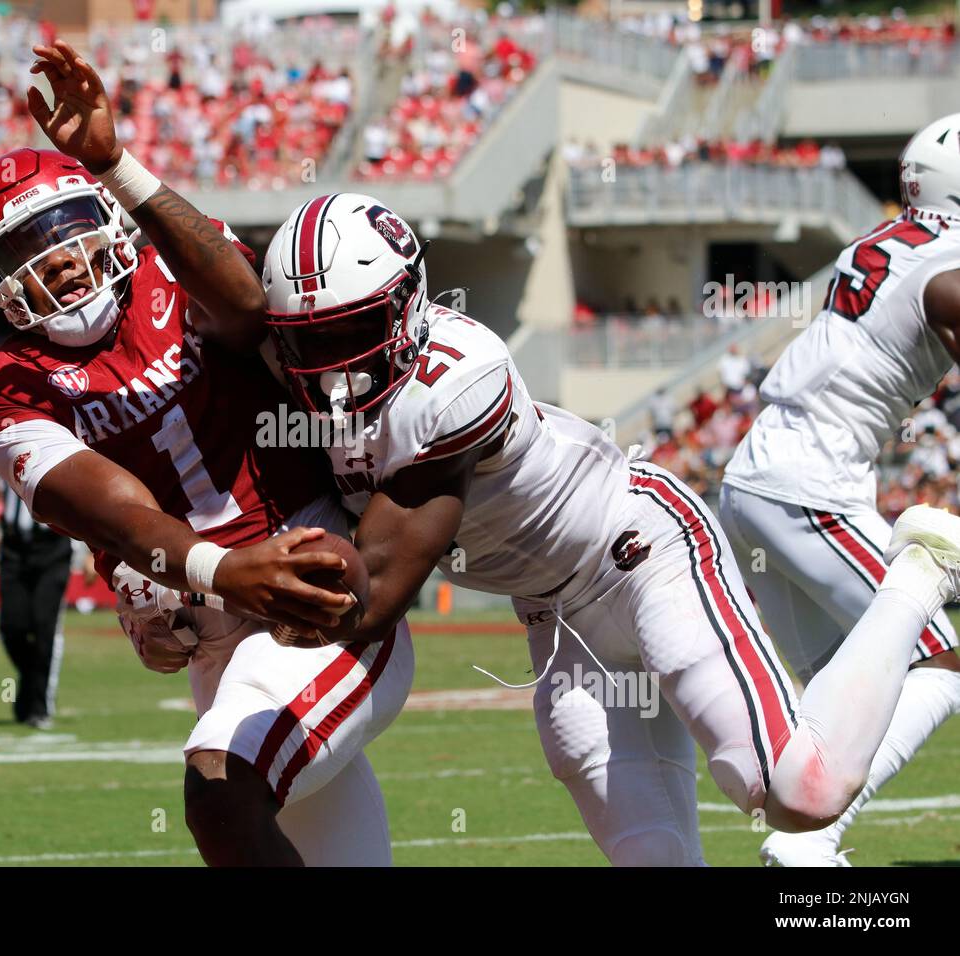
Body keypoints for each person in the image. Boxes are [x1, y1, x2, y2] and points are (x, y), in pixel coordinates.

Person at [260, 191, 960, 866]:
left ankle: (919, 573)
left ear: (408, 306)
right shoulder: (298, 388)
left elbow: (375, 594)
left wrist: (225, 587)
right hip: (555, 612)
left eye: (352, 333)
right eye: (309, 342)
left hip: (641, 552)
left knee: (800, 789)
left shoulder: (456, 378)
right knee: (652, 855)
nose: (333, 369)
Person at [0, 41, 412, 866]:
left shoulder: (170, 265)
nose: (54, 257)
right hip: (212, 620)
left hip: (312, 569)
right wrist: (163, 582)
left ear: (109, 220)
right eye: (25, 252)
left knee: (221, 791)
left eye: (65, 230)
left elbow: (245, 305)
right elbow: (105, 507)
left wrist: (116, 162)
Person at [720, 113, 960, 866]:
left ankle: (806, 845)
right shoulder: (945, 268)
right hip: (808, 488)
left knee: (846, 684)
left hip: (764, 482)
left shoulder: (886, 242)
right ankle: (812, 837)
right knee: (942, 658)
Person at [0, 467, 79, 729]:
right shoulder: (2, 438)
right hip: (13, 547)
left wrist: (92, 549)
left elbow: (82, 494)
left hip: (53, 547)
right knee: (11, 626)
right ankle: (30, 680)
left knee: (45, 627)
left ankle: (38, 709)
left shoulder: (62, 437)